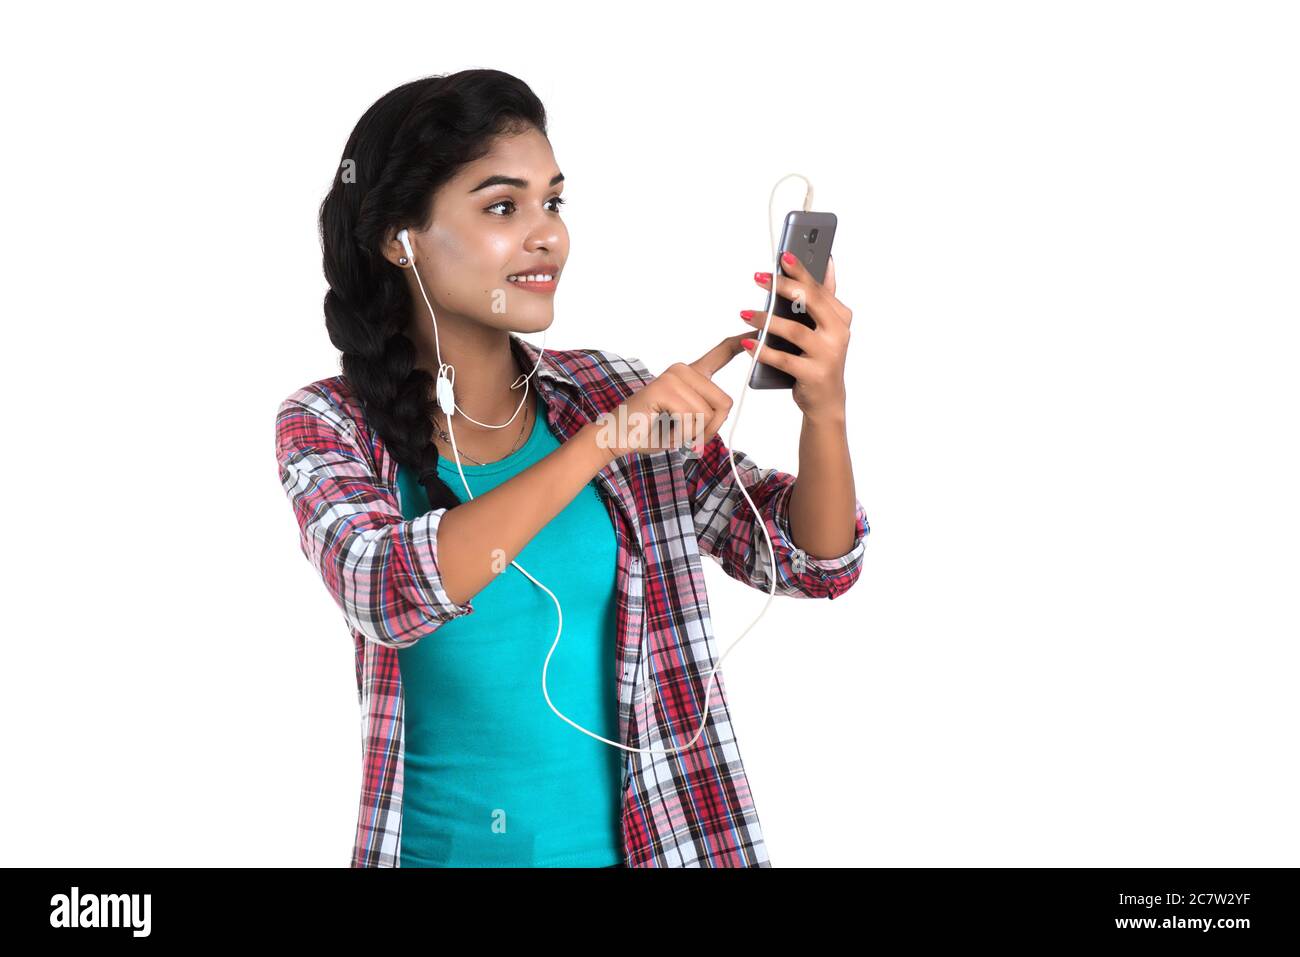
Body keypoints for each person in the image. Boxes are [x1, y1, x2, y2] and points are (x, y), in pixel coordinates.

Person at [274, 69, 871, 868]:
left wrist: (823, 408)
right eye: (501, 206)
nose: (547, 234)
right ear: (398, 237)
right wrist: (603, 441)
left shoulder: (614, 392)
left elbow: (811, 561)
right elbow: (386, 589)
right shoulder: (327, 423)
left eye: (552, 202)